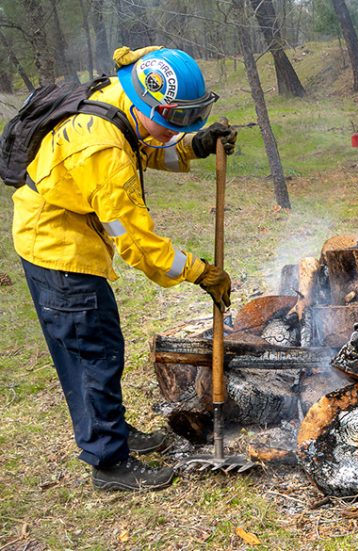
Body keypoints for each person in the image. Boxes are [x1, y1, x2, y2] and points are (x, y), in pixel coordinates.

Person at [11, 46, 238, 491]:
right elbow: (139, 244)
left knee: (99, 347)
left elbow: (148, 146)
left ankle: (112, 431)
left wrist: (196, 145)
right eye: (174, 122)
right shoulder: (101, 149)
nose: (176, 131)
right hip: (58, 250)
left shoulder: (122, 95)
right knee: (92, 353)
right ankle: (108, 461)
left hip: (65, 231)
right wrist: (200, 272)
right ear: (149, 105)